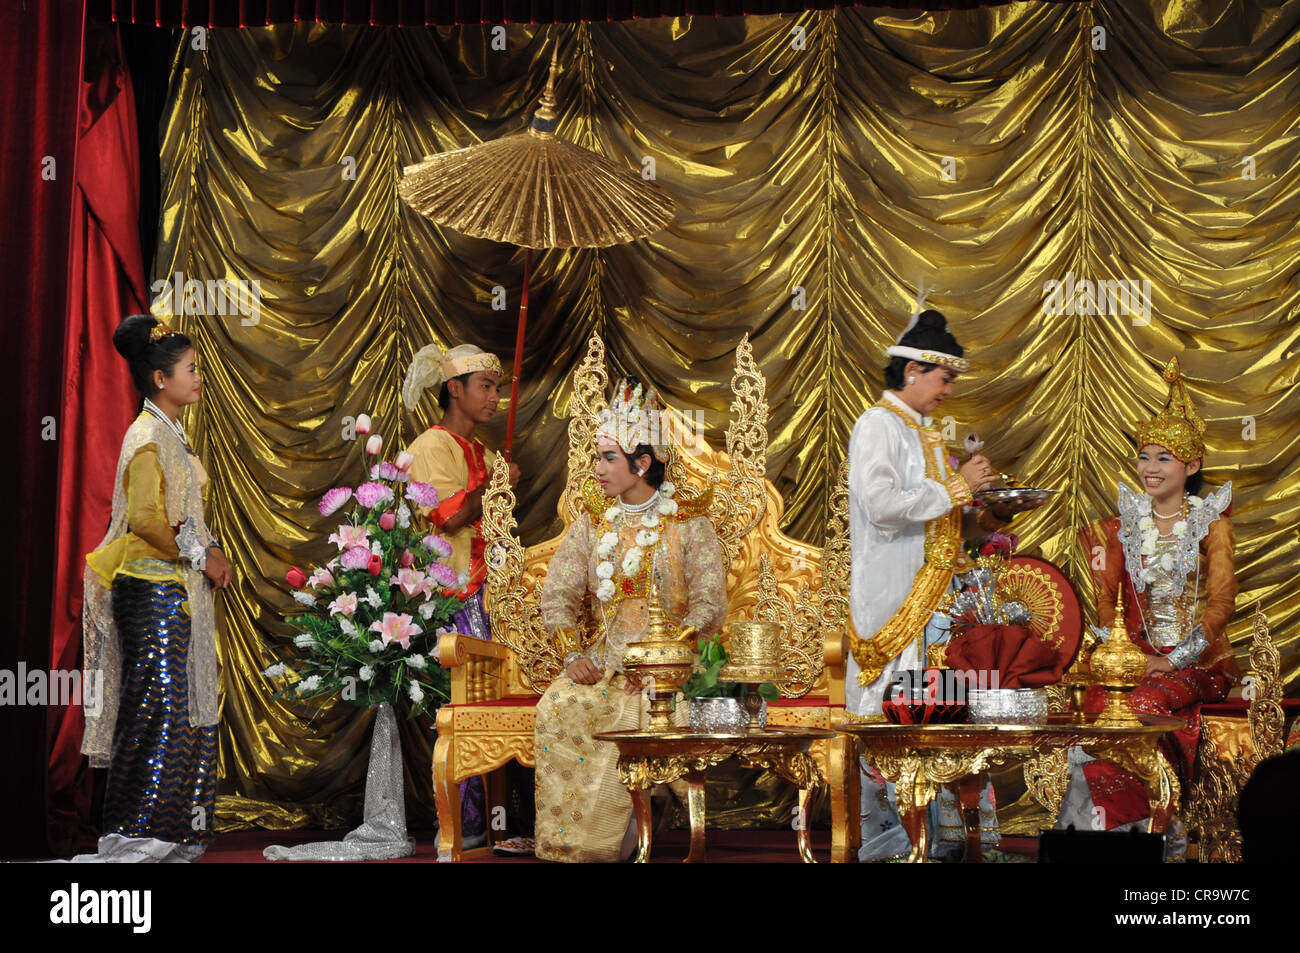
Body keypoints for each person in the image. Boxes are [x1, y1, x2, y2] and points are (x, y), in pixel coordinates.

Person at [847, 306, 1041, 861]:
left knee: (943, 720)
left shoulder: (926, 435)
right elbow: (883, 508)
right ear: (911, 372)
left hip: (942, 601)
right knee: (893, 720)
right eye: (944, 377)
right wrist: (958, 484)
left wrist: (997, 513)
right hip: (894, 602)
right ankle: (889, 848)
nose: (949, 390)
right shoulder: (876, 425)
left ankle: (946, 846)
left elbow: (948, 526)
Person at [533, 380, 727, 862]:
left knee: (648, 712)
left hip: (673, 671)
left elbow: (710, 604)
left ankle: (615, 842)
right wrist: (573, 654)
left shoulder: (687, 524)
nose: (596, 470)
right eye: (597, 458)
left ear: (641, 463)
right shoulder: (592, 524)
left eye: (607, 458)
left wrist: (666, 662)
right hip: (604, 664)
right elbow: (556, 594)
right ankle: (572, 845)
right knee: (559, 703)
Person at [1057, 357, 1238, 846]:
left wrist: (1171, 659)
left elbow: (1222, 604)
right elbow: (1103, 607)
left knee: (1144, 703)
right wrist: (1114, 655)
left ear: (1192, 466)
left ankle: (1156, 831)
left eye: (1163, 458)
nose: (1150, 469)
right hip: (1133, 657)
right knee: (1096, 704)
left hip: (1196, 662)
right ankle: (1102, 836)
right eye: (1144, 457)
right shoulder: (1123, 527)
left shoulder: (1212, 524)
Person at [78, 313, 232, 862]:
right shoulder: (146, 436)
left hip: (172, 590)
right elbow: (146, 519)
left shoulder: (170, 435)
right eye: (190, 369)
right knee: (157, 712)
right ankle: (138, 836)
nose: (199, 378)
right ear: (161, 379)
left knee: (179, 710)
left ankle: (169, 834)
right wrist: (202, 555)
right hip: (151, 593)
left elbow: (179, 516)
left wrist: (209, 555)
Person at [402, 342, 518, 848]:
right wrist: (497, 483)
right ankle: (461, 824)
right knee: (461, 710)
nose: (496, 397)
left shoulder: (484, 452)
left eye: (497, 387)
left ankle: (492, 821)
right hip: (452, 595)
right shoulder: (432, 445)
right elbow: (448, 518)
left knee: (494, 707)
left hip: (489, 593)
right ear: (455, 389)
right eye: (486, 386)